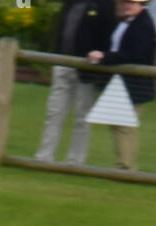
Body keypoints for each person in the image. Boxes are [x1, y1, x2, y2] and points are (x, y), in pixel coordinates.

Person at [36, 1, 115, 164]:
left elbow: (107, 36)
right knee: (54, 112)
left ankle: (76, 161)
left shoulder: (105, 4)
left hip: (87, 69)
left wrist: (100, 65)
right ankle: (44, 156)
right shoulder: (70, 2)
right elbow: (61, 29)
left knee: (82, 116)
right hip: (62, 63)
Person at [87, 0, 156, 169]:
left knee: (125, 125)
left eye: (132, 3)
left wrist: (104, 57)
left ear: (141, 5)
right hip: (120, 81)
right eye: (126, 2)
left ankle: (126, 167)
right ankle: (124, 164)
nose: (127, 6)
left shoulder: (144, 25)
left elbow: (135, 55)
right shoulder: (126, 22)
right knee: (118, 123)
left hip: (135, 83)